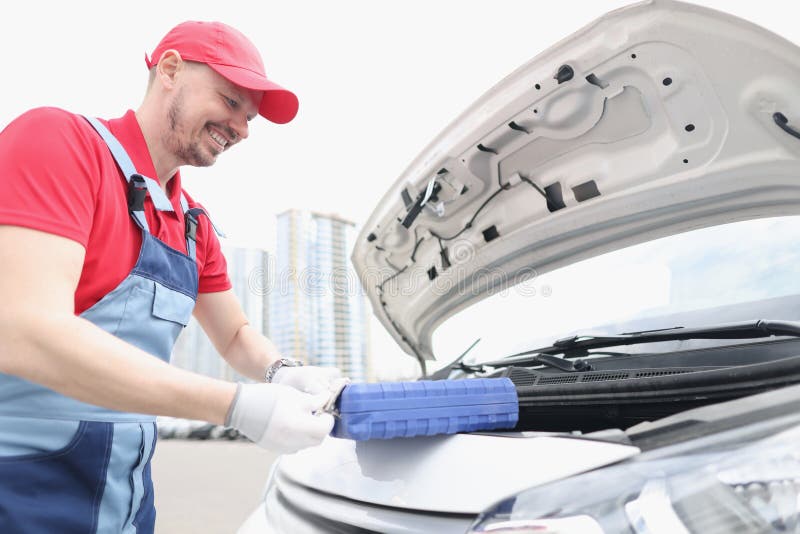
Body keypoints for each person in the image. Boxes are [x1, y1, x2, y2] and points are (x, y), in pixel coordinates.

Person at [0, 21, 343, 533]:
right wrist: (234, 405)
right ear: (170, 69)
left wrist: (282, 372)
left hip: (127, 500)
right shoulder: (60, 143)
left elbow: (234, 334)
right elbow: (23, 331)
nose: (244, 129)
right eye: (231, 101)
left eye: (250, 118)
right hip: (22, 491)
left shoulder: (193, 224)